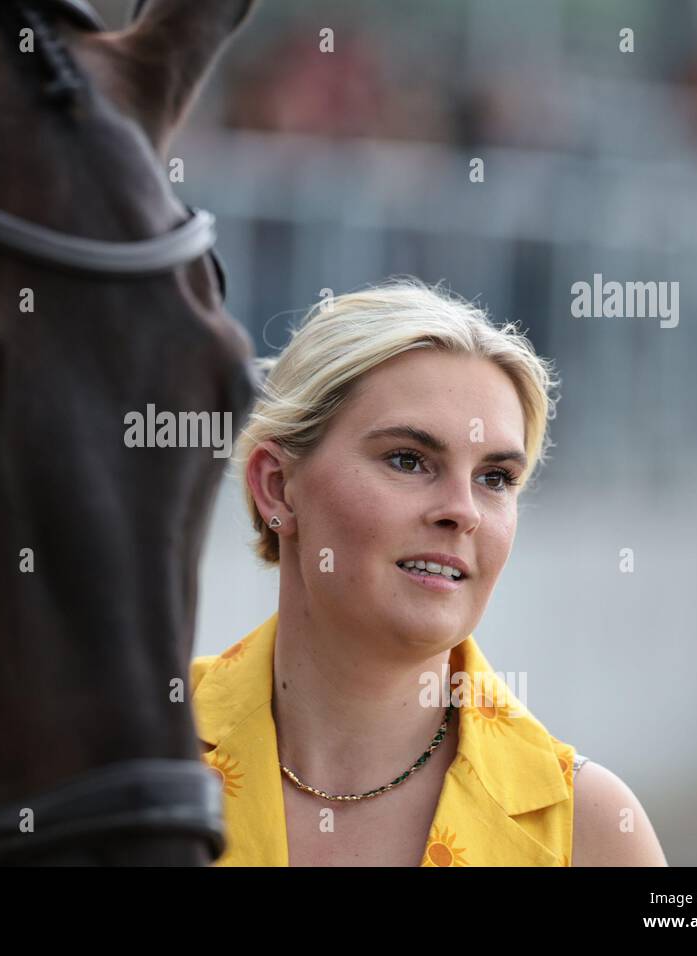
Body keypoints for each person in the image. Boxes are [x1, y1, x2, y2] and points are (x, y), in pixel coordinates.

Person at [194, 277, 668, 866]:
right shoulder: (131, 753)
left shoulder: (589, 830)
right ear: (277, 487)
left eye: (495, 478)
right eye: (408, 460)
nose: (462, 512)